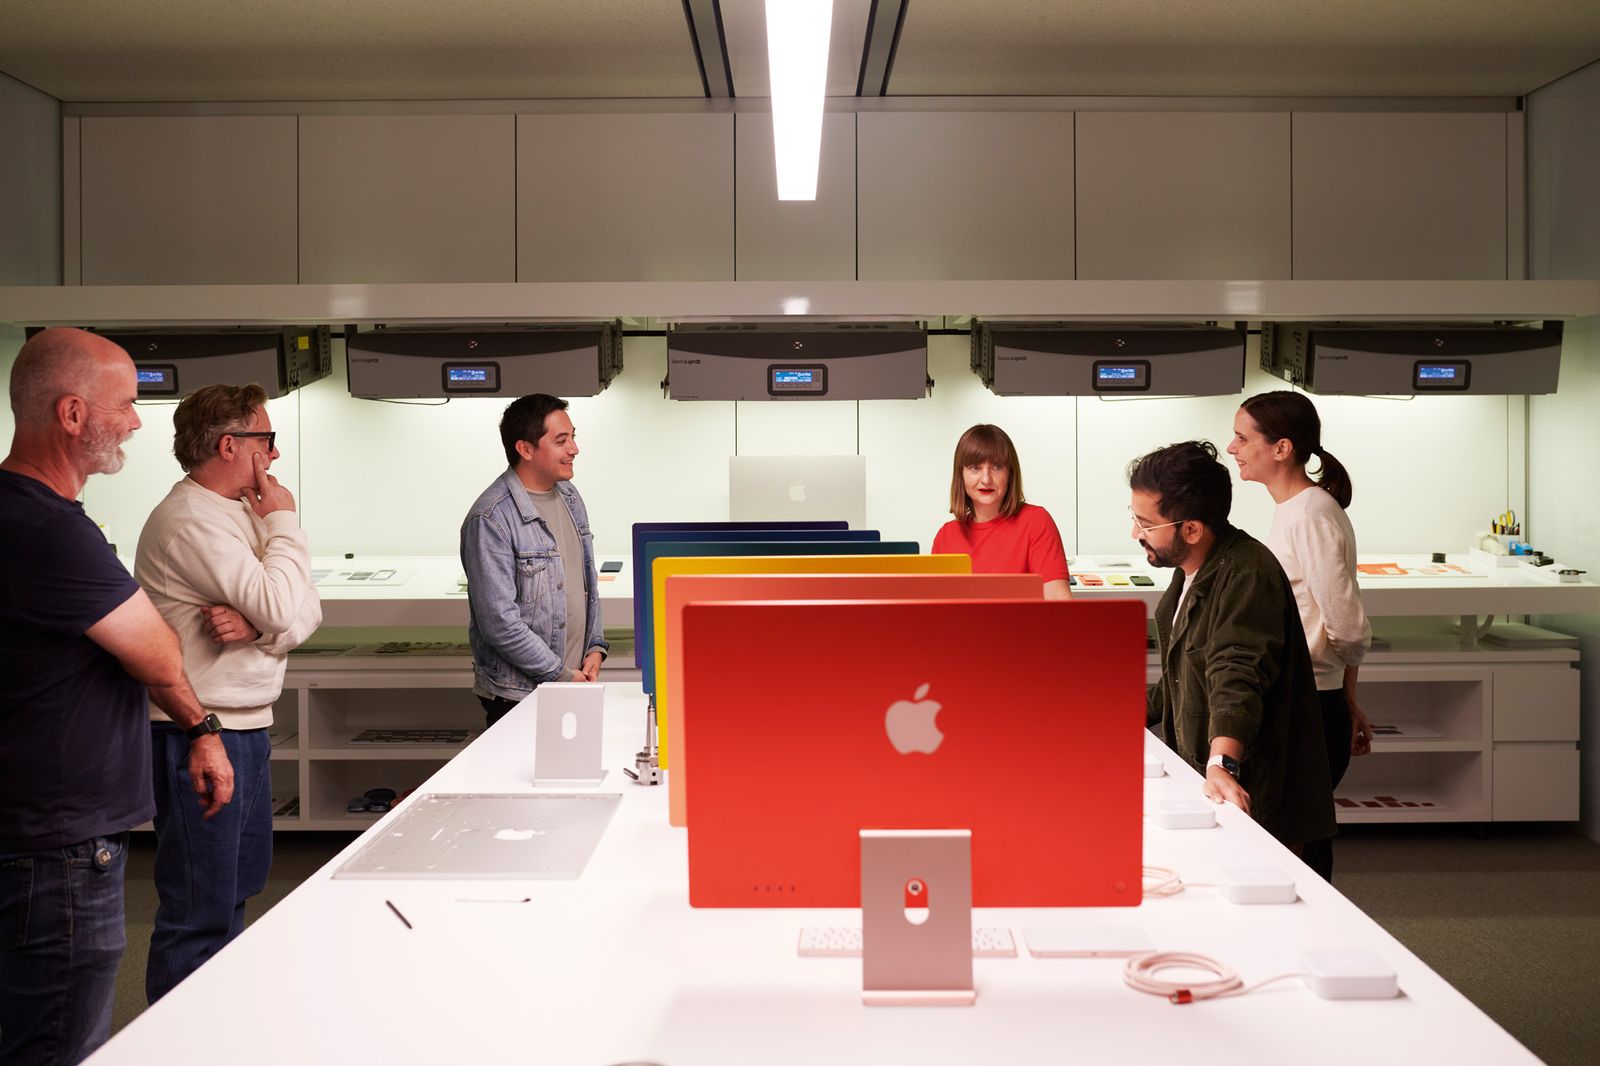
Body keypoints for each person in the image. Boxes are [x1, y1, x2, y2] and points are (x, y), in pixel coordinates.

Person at [0, 328, 234, 1066]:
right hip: (59, 851)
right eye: (127, 404)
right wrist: (203, 726)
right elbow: (157, 650)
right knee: (59, 1044)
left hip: (24, 827)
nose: (137, 421)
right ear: (73, 414)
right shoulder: (50, 530)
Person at [134, 383, 322, 1004]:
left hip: (245, 727)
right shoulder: (191, 520)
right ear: (228, 444)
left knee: (236, 890)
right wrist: (285, 526)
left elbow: (305, 610)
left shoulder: (244, 511)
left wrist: (260, 627)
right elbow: (281, 600)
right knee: (199, 909)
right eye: (266, 440)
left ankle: (214, 1028)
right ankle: (174, 1044)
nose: (273, 455)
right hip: (199, 733)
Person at [1130, 440, 1335, 863]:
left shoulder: (1247, 573)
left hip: (1260, 798)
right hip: (1214, 782)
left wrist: (1223, 761)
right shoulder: (1195, 569)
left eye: (1146, 524)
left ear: (1191, 529)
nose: (1136, 533)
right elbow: (1180, 682)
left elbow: (1236, 673)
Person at [461, 393, 608, 728]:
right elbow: (500, 624)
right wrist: (560, 674)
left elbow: (586, 584)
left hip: (571, 683)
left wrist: (595, 648)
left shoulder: (569, 496)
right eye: (561, 440)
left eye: (573, 437)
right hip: (520, 696)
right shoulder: (490, 519)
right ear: (525, 449)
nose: (574, 449)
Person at [931, 423, 1072, 598]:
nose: (986, 479)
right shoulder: (946, 536)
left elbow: (1058, 600)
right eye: (975, 468)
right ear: (961, 475)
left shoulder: (1035, 521)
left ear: (1010, 474)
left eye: (997, 467)